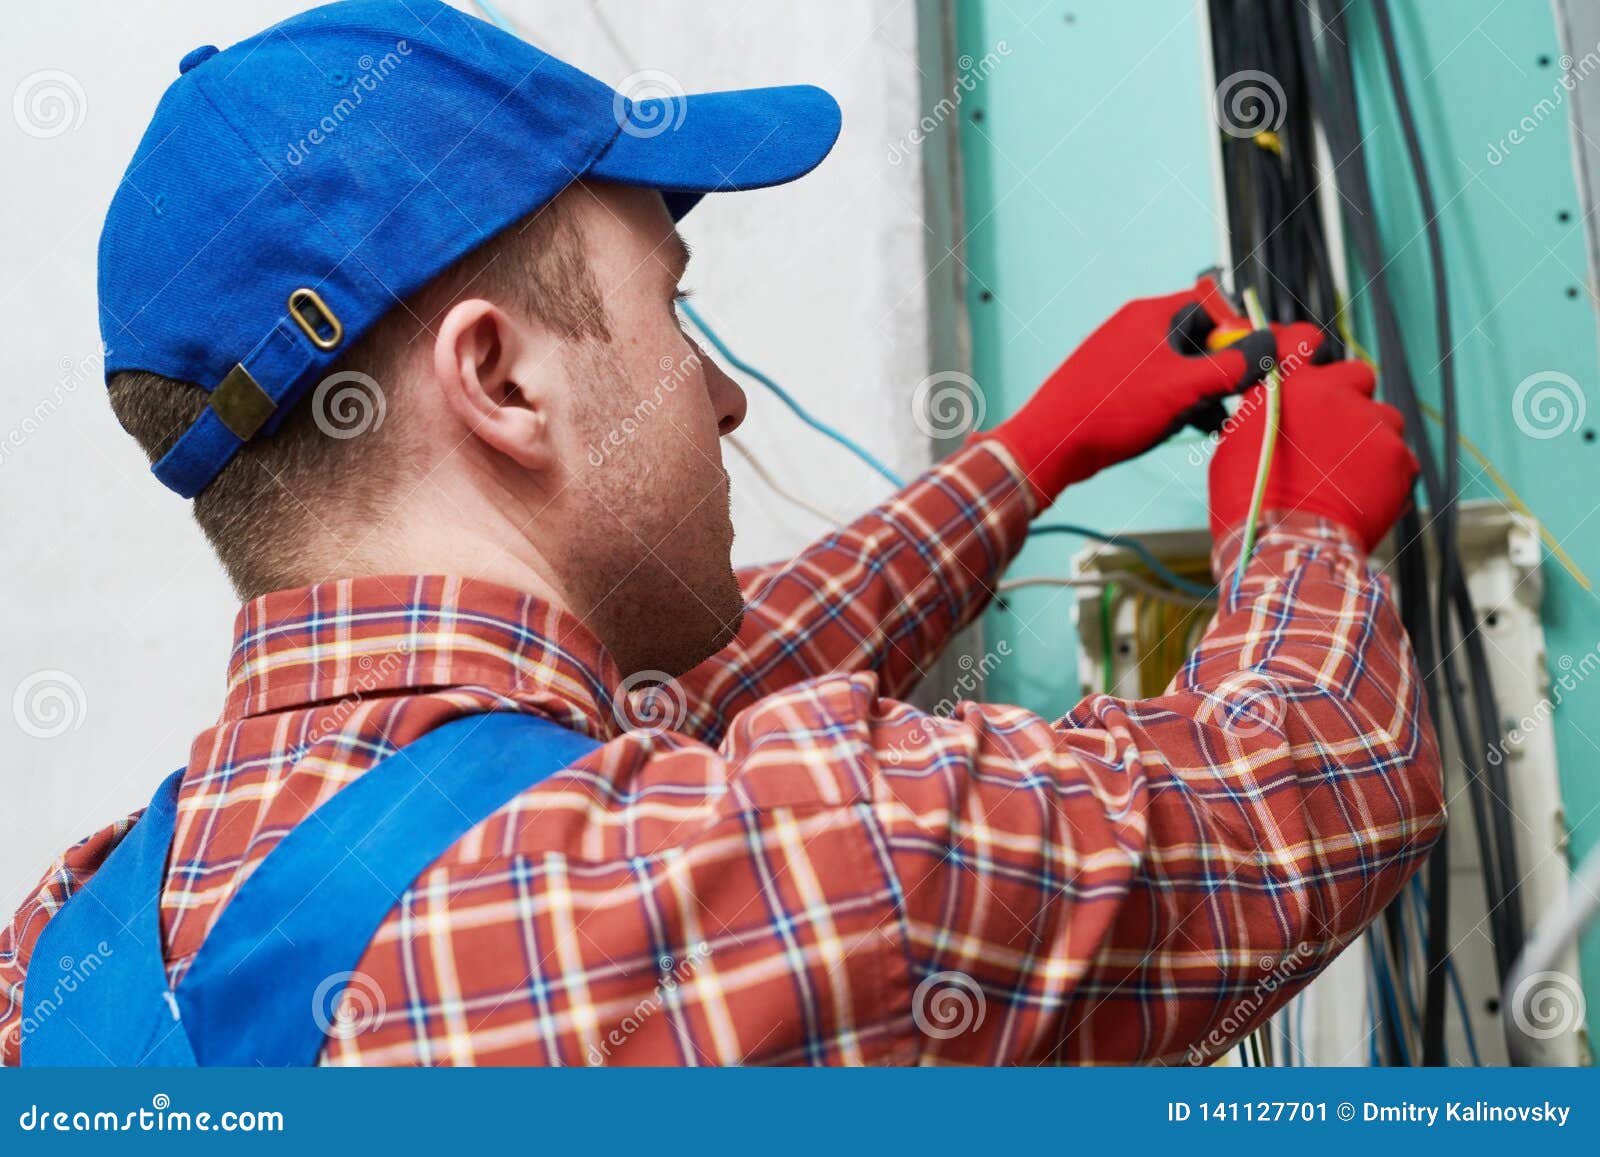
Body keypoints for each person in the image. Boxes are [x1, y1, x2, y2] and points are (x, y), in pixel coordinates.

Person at [0, 0, 1436, 1066]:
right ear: (502, 381)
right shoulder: (774, 872)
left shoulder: (62, 954)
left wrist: (1034, 449)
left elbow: (631, 713)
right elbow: (1312, 774)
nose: (730, 397)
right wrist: (1301, 532)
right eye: (673, 309)